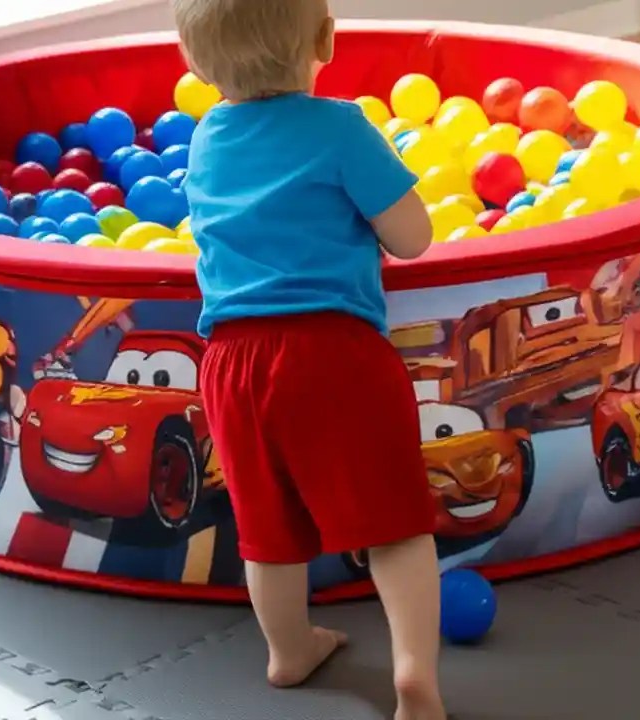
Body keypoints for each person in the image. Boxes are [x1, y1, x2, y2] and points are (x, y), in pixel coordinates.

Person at [171, 1, 446, 718]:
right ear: (326, 39)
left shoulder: (205, 140)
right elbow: (413, 237)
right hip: (335, 353)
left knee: (269, 531)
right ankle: (414, 673)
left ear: (195, 64)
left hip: (232, 362)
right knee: (393, 525)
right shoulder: (341, 126)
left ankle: (288, 651)